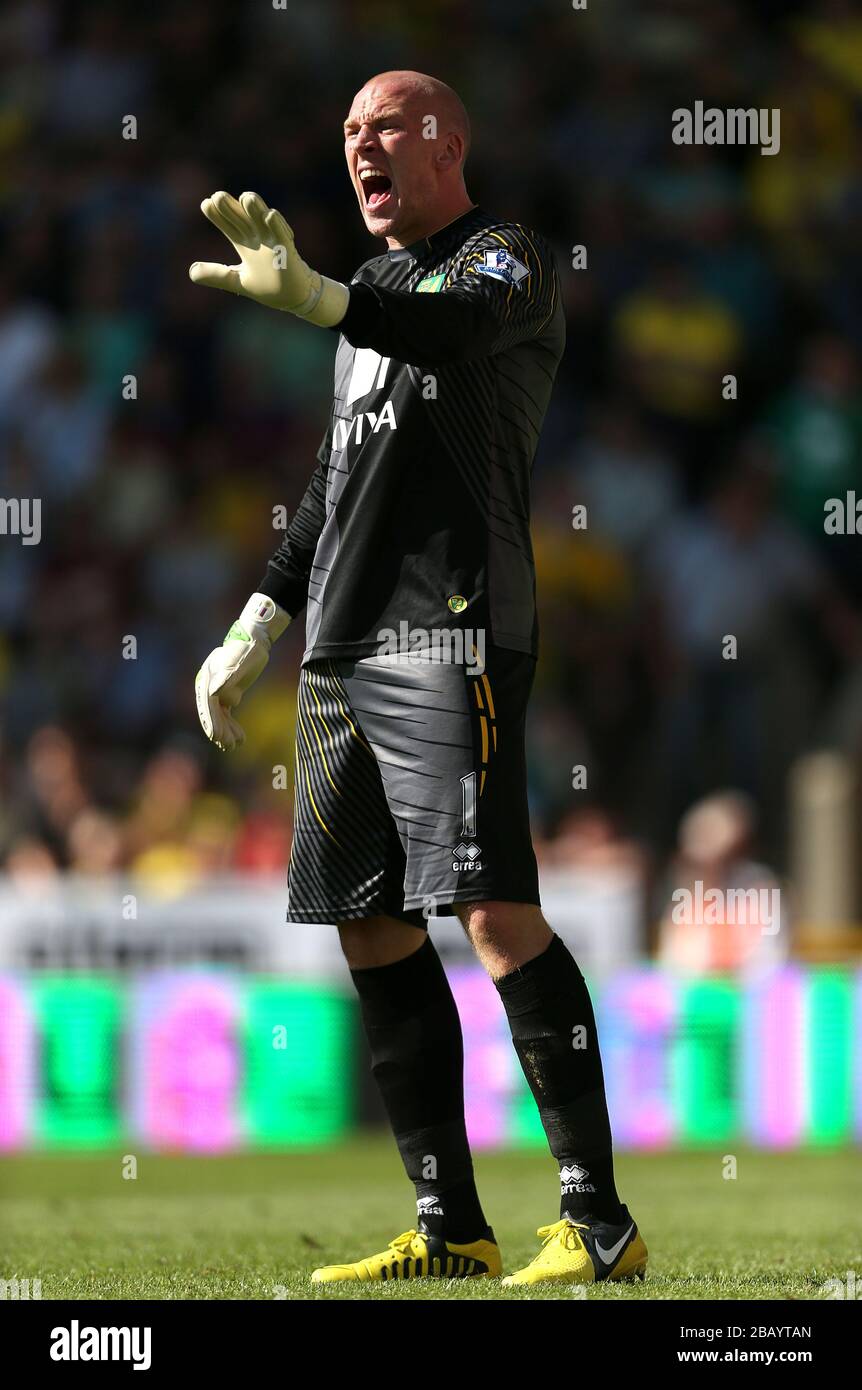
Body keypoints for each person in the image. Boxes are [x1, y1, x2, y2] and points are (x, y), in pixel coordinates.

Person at [190, 69, 646, 1287]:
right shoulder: (367, 299)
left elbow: (447, 332)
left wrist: (329, 298)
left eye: (382, 126)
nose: (359, 148)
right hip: (340, 650)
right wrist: (253, 622)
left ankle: (598, 1220)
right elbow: (337, 486)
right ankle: (451, 1226)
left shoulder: (508, 259)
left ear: (445, 137)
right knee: (371, 926)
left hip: (450, 627)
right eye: (346, 133)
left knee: (490, 909)